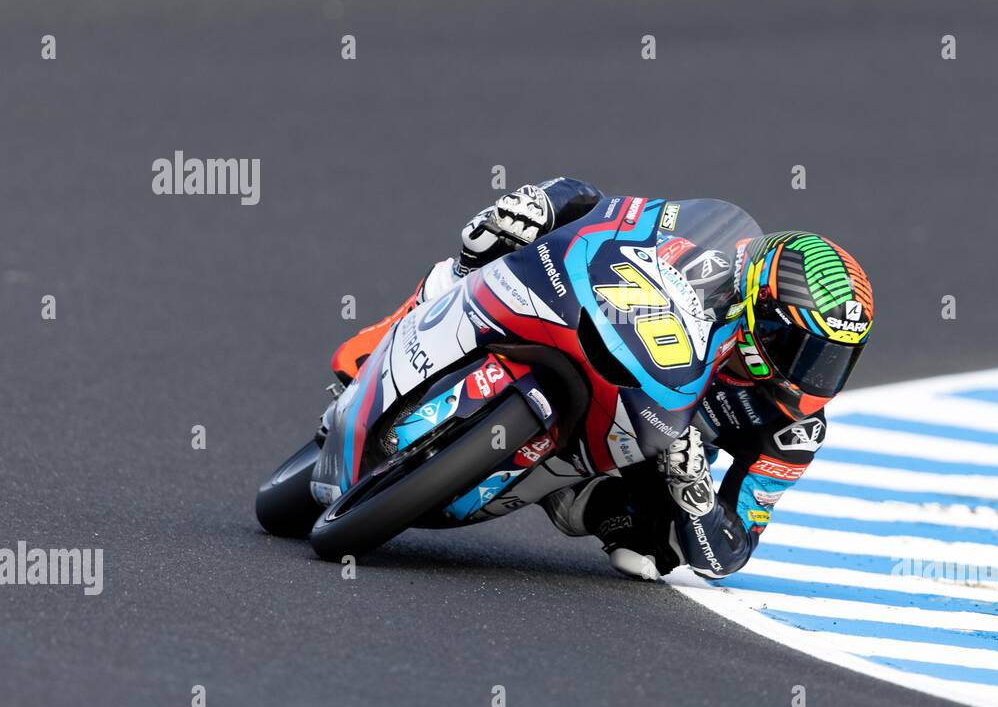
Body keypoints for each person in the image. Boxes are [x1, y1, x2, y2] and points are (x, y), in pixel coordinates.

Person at [331, 178, 874, 582]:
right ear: (761, 314)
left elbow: (729, 553)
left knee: (652, 553)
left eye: (834, 360)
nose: (816, 377)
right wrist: (542, 205)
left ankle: (580, 500)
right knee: (491, 241)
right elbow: (602, 208)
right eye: (805, 352)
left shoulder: (792, 431)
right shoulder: (711, 260)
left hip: (633, 453)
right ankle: (399, 328)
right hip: (606, 338)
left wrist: (696, 493)